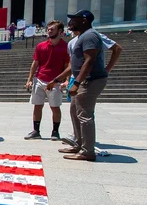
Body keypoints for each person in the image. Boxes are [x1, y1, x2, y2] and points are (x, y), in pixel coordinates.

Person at [52, 10, 112, 162]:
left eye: (74, 19)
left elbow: (89, 60)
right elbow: (75, 64)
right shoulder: (82, 37)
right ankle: (79, 143)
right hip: (83, 80)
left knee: (84, 115)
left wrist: (77, 82)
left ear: (84, 20)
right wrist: (58, 79)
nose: (70, 22)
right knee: (74, 111)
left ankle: (87, 151)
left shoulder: (90, 36)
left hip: (89, 80)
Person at [24, 20, 70, 141]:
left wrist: (66, 80)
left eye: (52, 29)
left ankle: (55, 132)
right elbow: (35, 64)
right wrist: (29, 79)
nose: (49, 31)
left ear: (60, 31)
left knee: (55, 107)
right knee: (37, 106)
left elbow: (67, 66)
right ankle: (36, 131)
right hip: (39, 79)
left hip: (55, 80)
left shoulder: (65, 47)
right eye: (48, 29)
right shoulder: (41, 46)